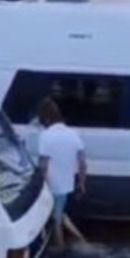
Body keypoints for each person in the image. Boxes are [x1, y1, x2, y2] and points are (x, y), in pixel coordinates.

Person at [37, 98, 87, 249]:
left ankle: (60, 248)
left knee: (56, 220)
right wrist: (82, 184)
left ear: (45, 119)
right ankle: (83, 241)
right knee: (60, 214)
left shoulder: (45, 136)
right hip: (67, 184)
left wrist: (42, 187)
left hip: (52, 186)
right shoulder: (73, 134)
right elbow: (83, 163)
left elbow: (43, 166)